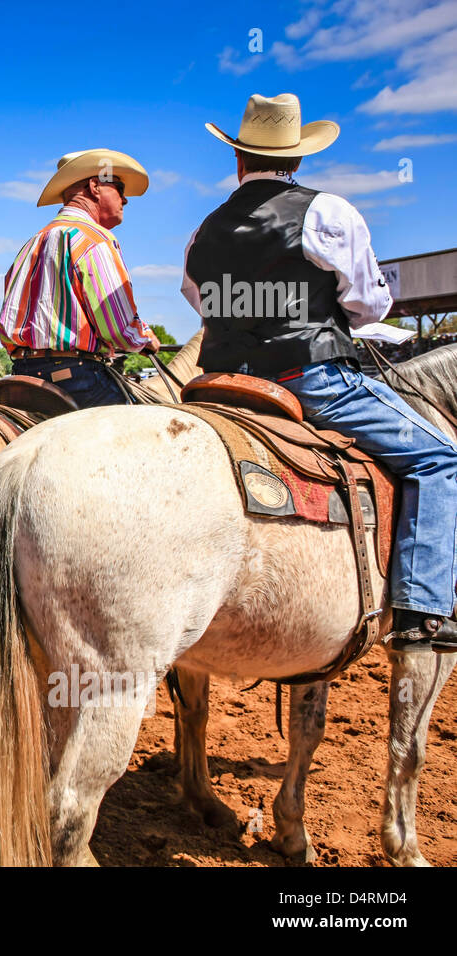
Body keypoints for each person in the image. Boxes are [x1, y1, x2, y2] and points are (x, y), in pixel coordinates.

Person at [181, 92, 457, 652]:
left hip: (220, 385)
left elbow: (197, 298)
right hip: (311, 381)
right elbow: (368, 307)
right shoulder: (327, 211)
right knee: (438, 457)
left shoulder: (203, 230)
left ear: (238, 159)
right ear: (298, 159)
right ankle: (421, 610)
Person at [0, 148, 161, 407]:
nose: (125, 200)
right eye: (119, 188)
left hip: (22, 377)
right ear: (95, 186)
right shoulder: (94, 240)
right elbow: (117, 328)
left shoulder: (31, 245)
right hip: (78, 379)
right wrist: (144, 340)